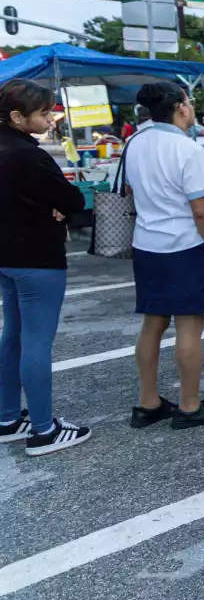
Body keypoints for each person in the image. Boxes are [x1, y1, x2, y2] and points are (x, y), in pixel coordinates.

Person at [124, 83, 204, 429]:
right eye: (188, 103)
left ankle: (148, 402)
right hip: (187, 245)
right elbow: (201, 210)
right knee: (189, 326)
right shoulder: (188, 149)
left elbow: (128, 192)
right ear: (180, 107)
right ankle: (189, 405)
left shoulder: (134, 143)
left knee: (152, 323)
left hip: (147, 244)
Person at [0, 80, 90, 456]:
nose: (50, 118)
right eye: (42, 113)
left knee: (13, 335)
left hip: (4, 256)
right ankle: (43, 430)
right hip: (38, 257)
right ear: (17, 117)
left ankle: (6, 418)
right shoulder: (29, 154)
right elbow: (72, 198)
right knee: (36, 341)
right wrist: (57, 205)